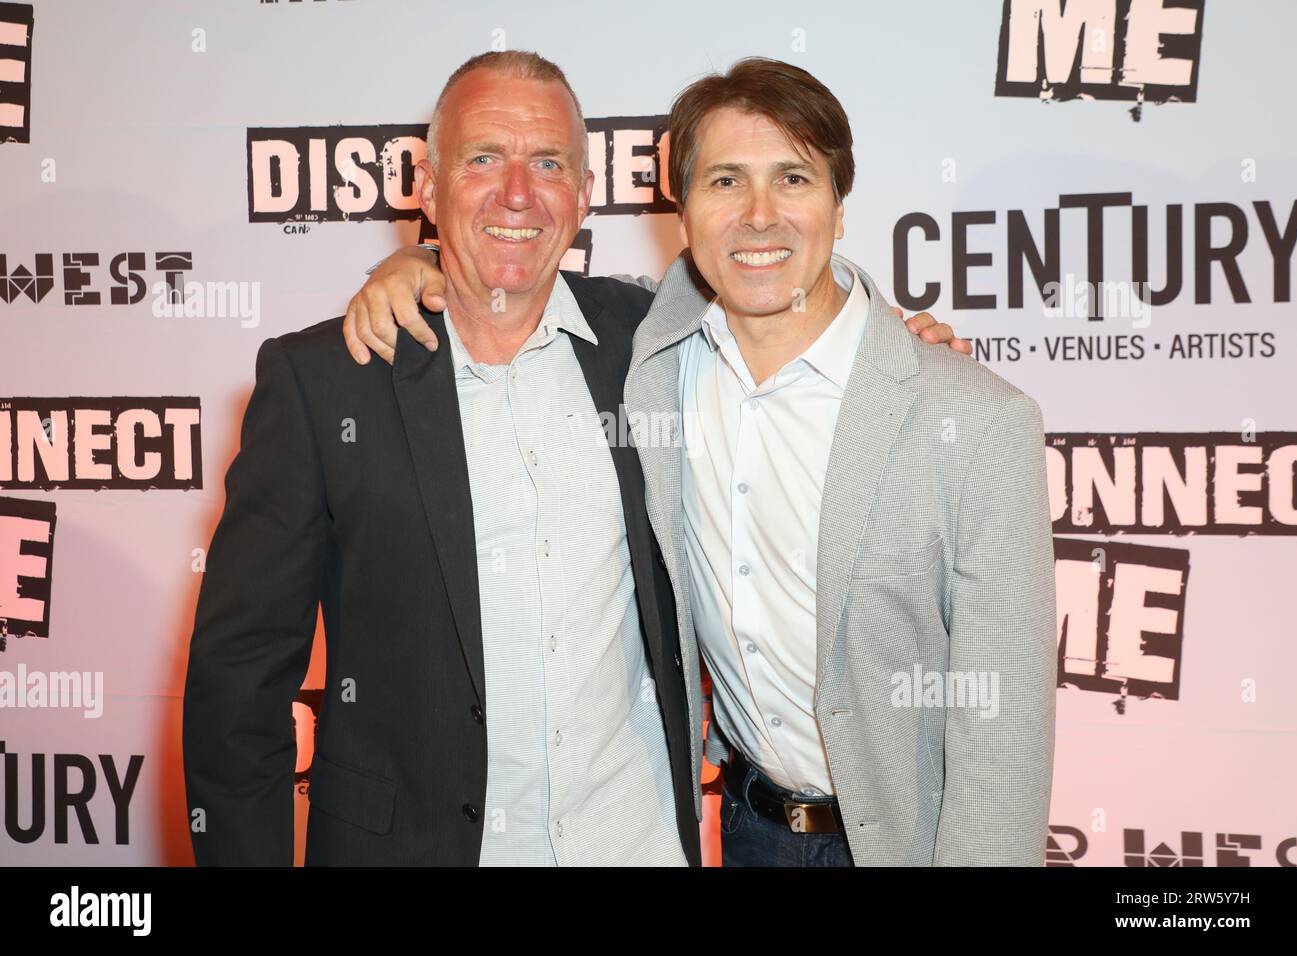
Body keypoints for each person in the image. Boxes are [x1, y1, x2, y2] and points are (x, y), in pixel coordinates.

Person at [344, 57, 1056, 866]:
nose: (759, 216)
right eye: (724, 182)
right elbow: (505, 266)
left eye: (793, 178)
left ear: (839, 206)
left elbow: (1006, 736)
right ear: (681, 211)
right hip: (744, 829)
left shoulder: (973, 417)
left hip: (908, 843)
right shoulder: (656, 357)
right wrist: (411, 264)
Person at [184, 51, 708, 866]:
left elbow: (782, 277)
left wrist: (906, 341)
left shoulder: (648, 343)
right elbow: (238, 685)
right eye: (483, 159)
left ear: (584, 192)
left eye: (548, 163)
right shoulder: (325, 384)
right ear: (425, 187)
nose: (517, 194)